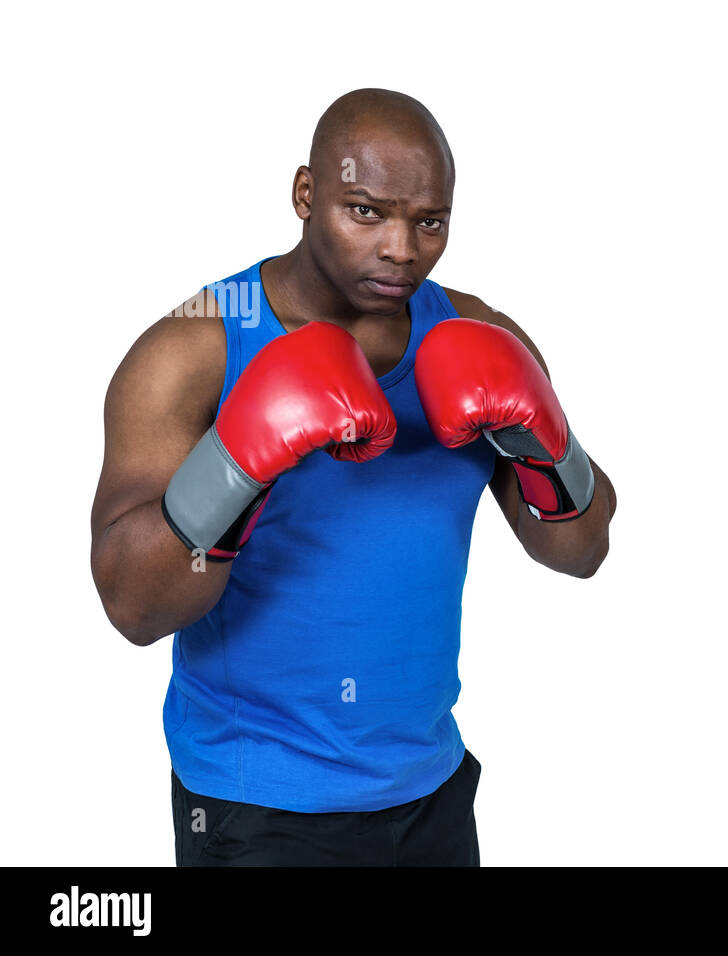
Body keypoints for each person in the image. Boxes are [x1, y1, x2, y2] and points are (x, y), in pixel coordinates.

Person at [90, 88, 617, 866]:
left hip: (430, 791)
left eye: (428, 222)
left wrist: (545, 442)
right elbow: (133, 607)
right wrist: (241, 459)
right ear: (307, 194)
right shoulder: (195, 346)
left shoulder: (479, 336)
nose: (402, 248)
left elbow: (580, 551)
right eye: (366, 211)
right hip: (253, 809)